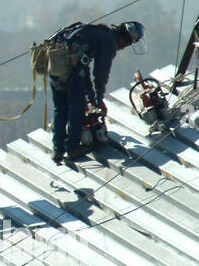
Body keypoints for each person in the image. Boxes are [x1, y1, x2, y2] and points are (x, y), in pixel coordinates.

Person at [51, 21, 146, 164]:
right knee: (78, 106)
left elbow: (84, 66)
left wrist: (92, 95)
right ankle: (72, 148)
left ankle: (58, 150)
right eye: (125, 44)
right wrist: (99, 98)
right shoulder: (109, 42)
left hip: (55, 66)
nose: (123, 47)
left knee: (61, 108)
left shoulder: (98, 33)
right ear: (123, 37)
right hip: (72, 71)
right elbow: (100, 73)